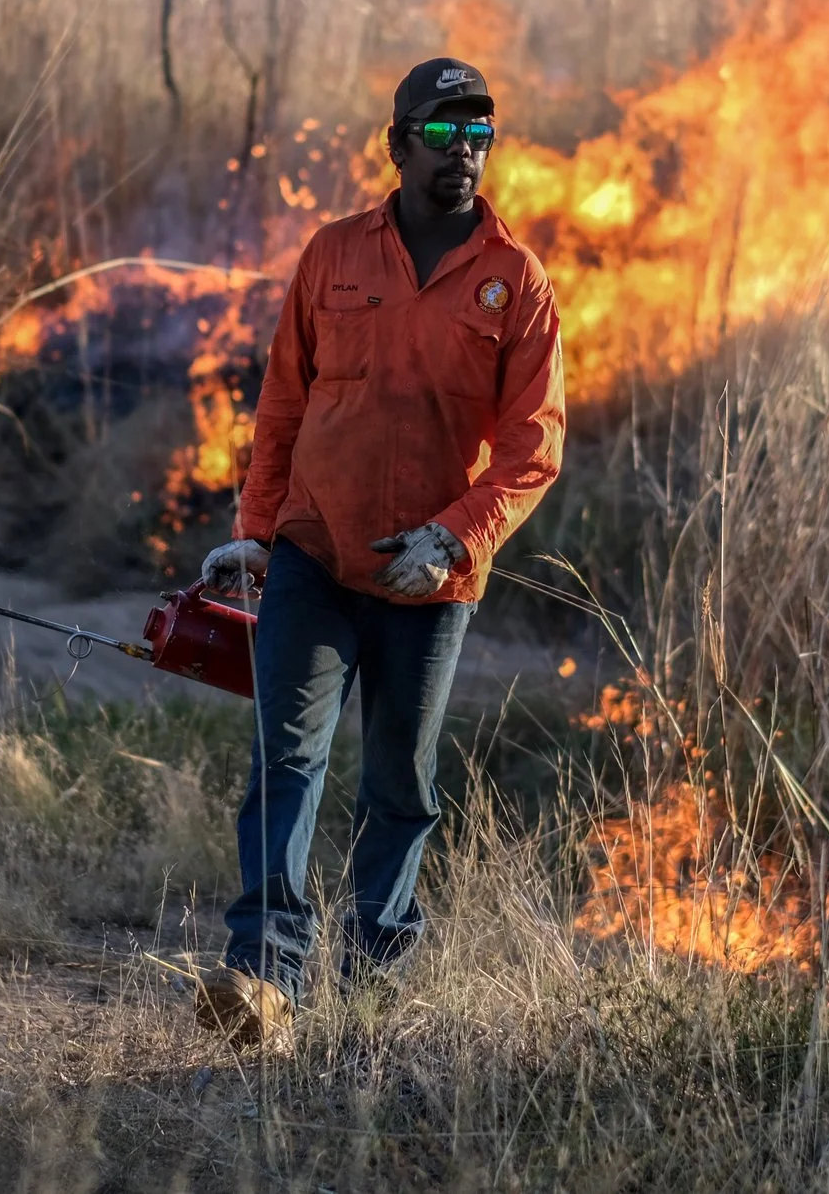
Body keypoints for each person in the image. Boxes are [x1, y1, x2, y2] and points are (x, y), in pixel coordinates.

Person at [195, 56, 566, 1036]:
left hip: (429, 579)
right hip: (314, 555)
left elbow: (534, 448)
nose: (463, 151)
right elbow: (283, 403)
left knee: (400, 781)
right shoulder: (332, 255)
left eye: (479, 133)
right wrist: (255, 536)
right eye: (441, 132)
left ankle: (372, 992)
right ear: (396, 143)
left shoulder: (516, 281)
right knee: (286, 757)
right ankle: (264, 977)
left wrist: (453, 535)